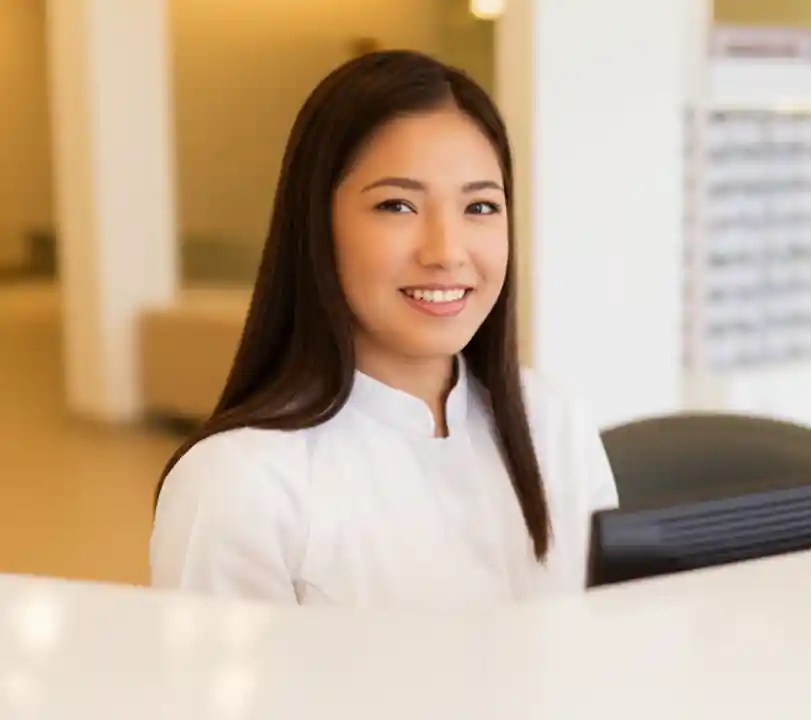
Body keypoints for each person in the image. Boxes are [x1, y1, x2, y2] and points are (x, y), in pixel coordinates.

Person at [150, 51, 618, 608]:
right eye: (397, 206)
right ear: (317, 225)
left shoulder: (555, 423)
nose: (446, 252)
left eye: (480, 207)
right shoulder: (238, 481)